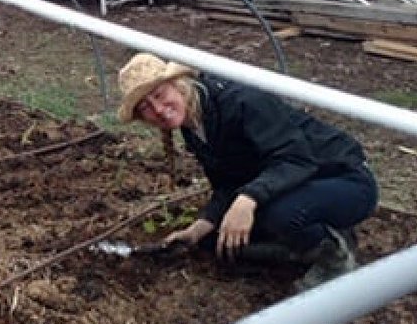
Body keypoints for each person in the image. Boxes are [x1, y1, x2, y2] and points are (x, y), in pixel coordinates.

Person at [116, 53, 378, 290]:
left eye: (160, 95)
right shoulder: (193, 124)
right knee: (213, 241)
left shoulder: (241, 101)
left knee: (280, 216)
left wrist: (247, 200)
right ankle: (306, 245)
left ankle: (335, 259)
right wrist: (199, 227)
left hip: (342, 179)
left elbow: (296, 159)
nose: (158, 110)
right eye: (145, 108)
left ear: (179, 85)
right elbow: (228, 182)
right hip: (296, 185)